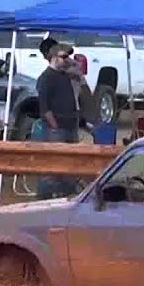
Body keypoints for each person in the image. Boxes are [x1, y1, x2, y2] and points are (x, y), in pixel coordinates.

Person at [35, 42, 82, 199]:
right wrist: (54, 126)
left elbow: (79, 72)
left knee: (70, 165)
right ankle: (45, 196)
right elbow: (44, 108)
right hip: (56, 129)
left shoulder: (66, 75)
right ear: (53, 58)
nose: (67, 60)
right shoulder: (45, 78)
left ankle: (66, 193)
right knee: (52, 164)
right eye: (63, 57)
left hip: (70, 126)